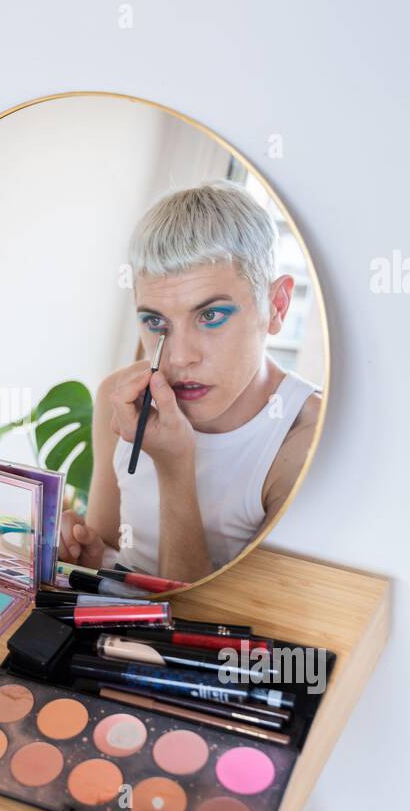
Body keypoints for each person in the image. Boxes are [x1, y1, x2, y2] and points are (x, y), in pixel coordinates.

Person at [60, 182, 321, 584]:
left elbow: (214, 629)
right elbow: (109, 548)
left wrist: (175, 468)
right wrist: (88, 556)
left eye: (211, 316)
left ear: (277, 307)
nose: (180, 358)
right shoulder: (122, 398)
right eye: (156, 321)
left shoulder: (304, 439)